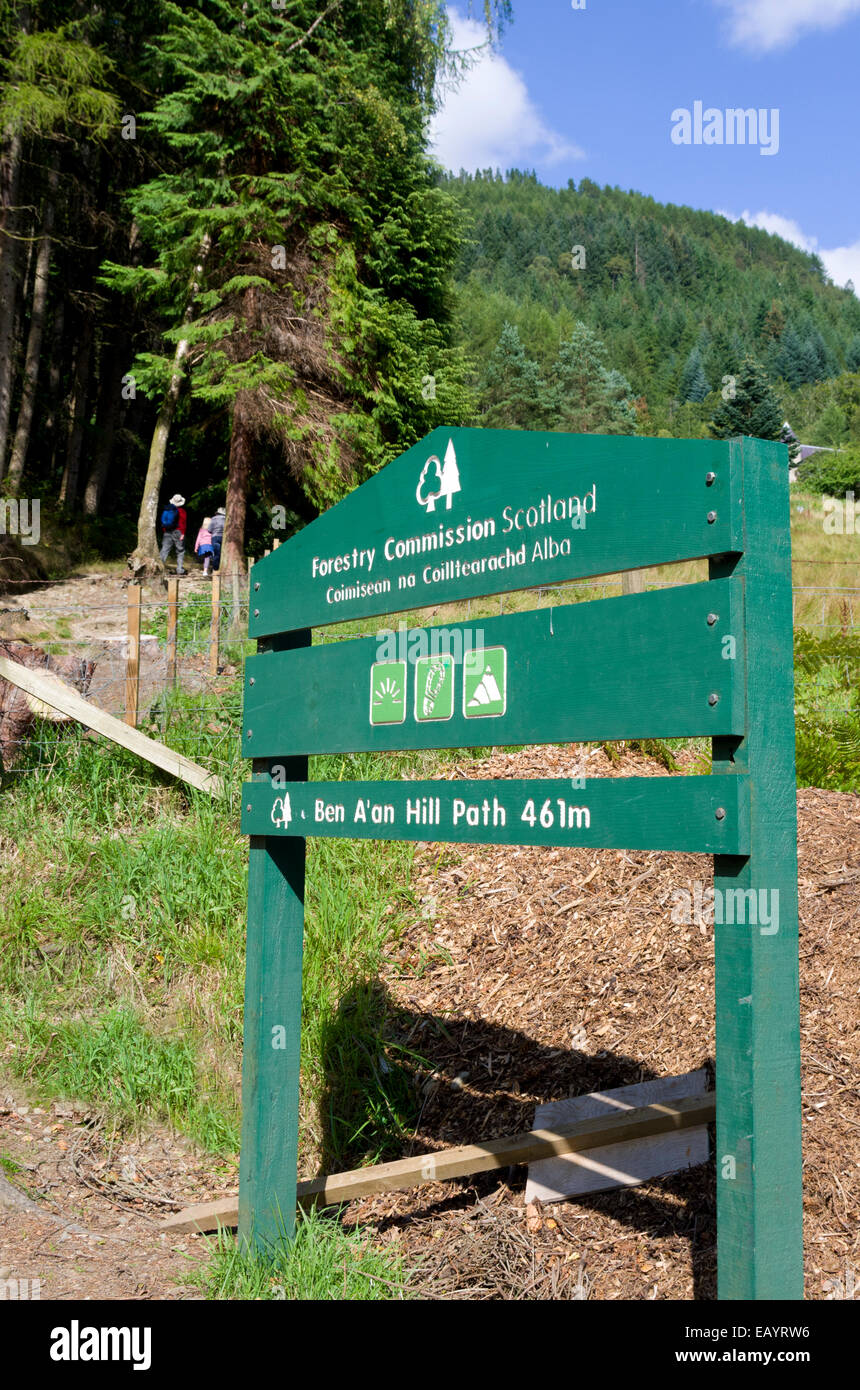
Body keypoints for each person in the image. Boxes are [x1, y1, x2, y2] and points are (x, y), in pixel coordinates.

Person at [159, 494, 187, 575]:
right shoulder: (182, 511)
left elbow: (164, 521)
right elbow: (183, 523)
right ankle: (179, 569)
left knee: (164, 550)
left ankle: (160, 568)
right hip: (178, 532)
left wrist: (165, 530)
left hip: (167, 531)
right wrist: (183, 533)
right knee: (180, 551)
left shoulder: (167, 510)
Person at [208, 506, 225, 572]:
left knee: (216, 553)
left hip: (215, 537)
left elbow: (209, 530)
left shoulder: (213, 519)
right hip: (223, 537)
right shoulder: (226, 519)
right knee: (223, 553)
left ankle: (215, 568)